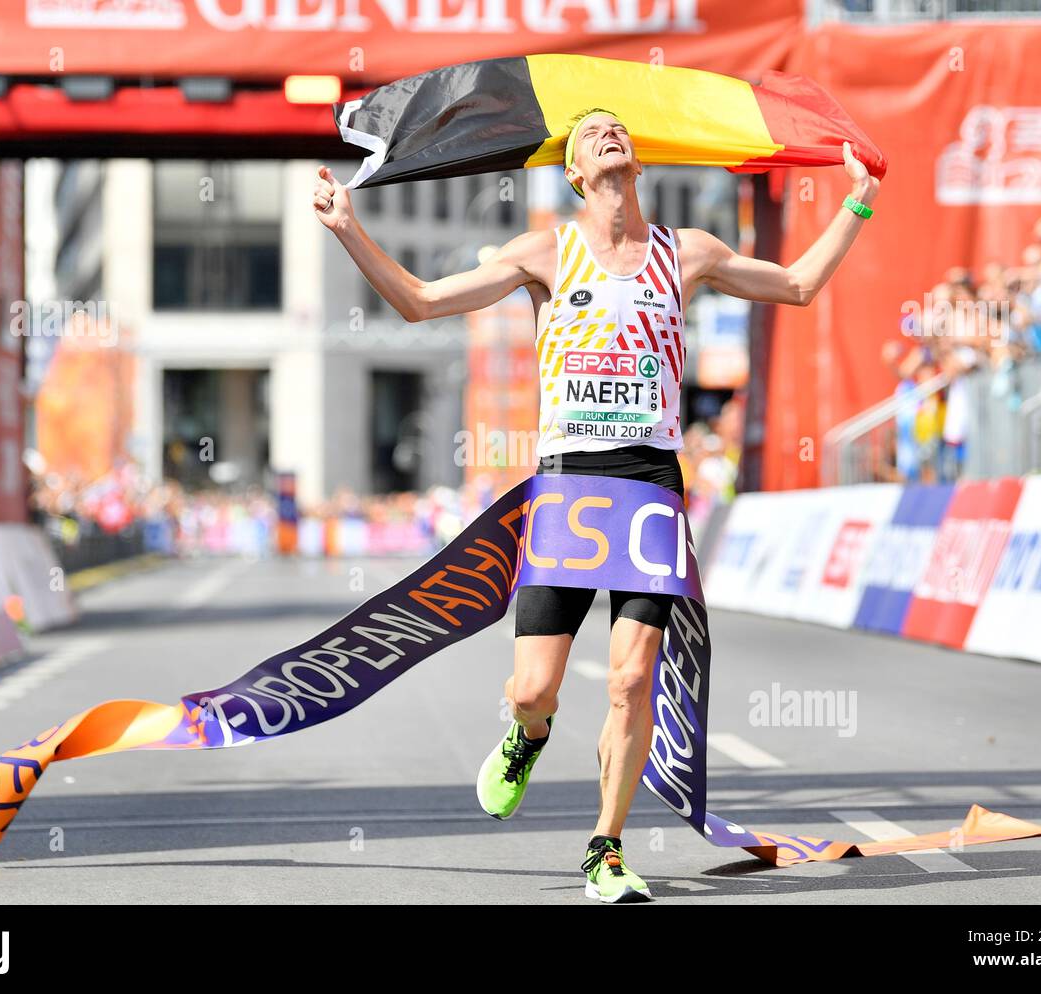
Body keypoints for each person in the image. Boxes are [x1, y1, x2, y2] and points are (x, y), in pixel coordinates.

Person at [311, 109, 880, 902]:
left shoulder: (688, 253)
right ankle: (527, 735)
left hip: (649, 483)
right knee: (531, 688)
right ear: (575, 171)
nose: (609, 134)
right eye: (591, 134)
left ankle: (605, 847)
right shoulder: (546, 251)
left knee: (628, 680)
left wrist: (855, 202)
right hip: (569, 485)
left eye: (619, 129)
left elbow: (797, 286)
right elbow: (418, 300)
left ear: (637, 161)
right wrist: (348, 228)